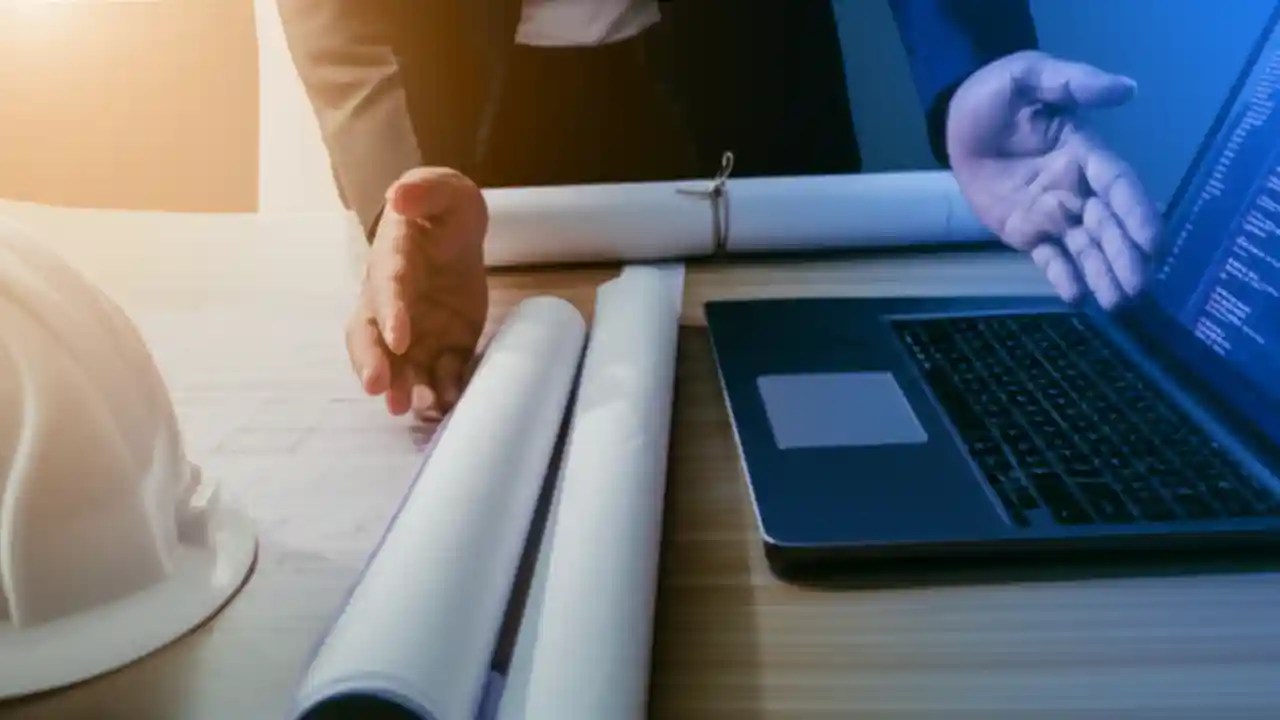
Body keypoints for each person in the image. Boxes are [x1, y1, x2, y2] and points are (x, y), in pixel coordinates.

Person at [278, 0, 1160, 420]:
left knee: (823, 419)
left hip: (747, 85)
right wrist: (395, 189)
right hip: (472, 120)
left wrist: (965, 70)